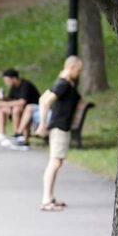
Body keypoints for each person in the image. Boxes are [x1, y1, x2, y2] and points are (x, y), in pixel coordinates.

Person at [36, 56, 83, 212]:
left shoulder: (63, 82)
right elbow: (45, 101)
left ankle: (50, 196)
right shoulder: (63, 84)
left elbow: (42, 97)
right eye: (79, 70)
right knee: (55, 162)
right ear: (72, 68)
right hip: (59, 126)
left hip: (61, 126)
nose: (80, 73)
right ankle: (46, 199)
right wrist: (43, 124)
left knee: (57, 161)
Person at [0, 68, 39, 147]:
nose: (6, 83)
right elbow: (12, 100)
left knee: (16, 109)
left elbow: (22, 102)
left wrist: (3, 103)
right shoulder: (13, 87)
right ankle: (1, 134)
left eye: (7, 81)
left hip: (32, 109)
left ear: (14, 79)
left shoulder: (25, 85)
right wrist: (3, 99)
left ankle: (16, 135)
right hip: (21, 109)